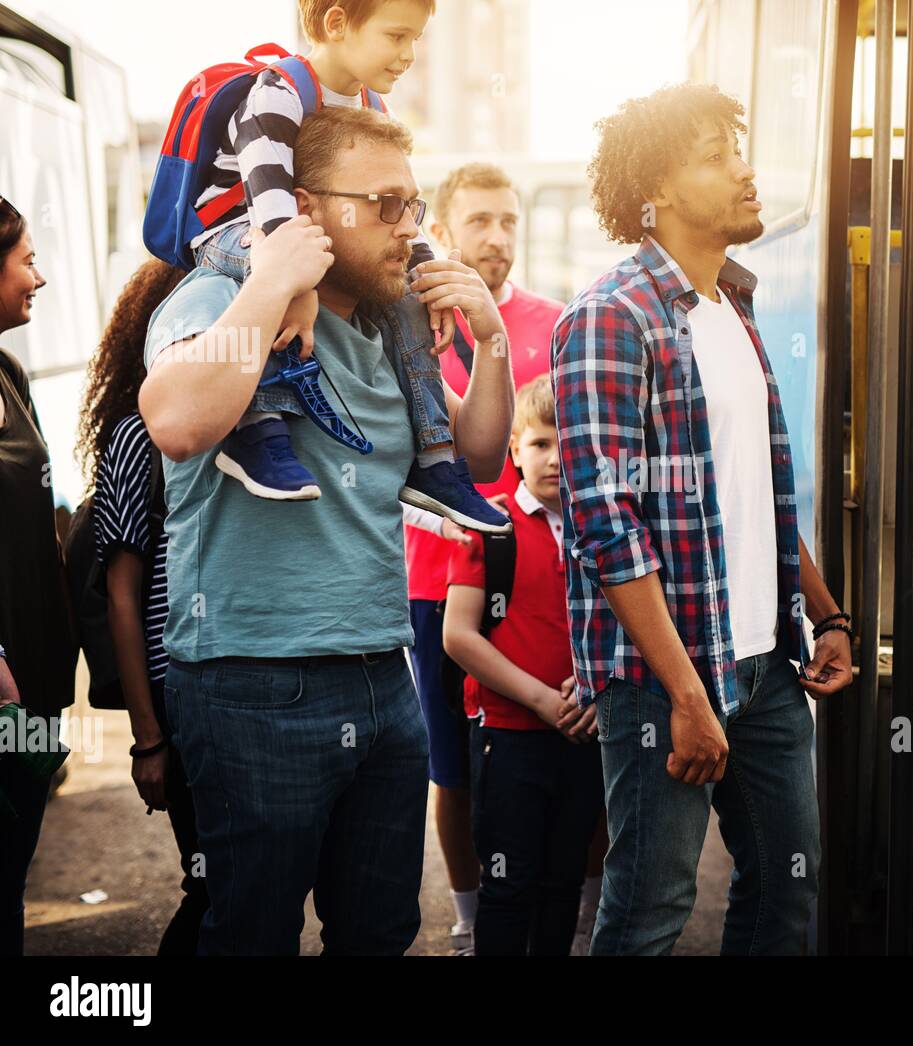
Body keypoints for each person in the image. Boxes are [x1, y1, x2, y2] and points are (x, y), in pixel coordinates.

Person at [138, 105, 515, 955]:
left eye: (413, 207)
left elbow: (480, 458)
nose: (408, 229)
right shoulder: (217, 294)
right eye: (383, 204)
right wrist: (273, 278)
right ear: (304, 207)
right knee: (251, 934)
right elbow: (177, 423)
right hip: (253, 682)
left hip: (384, 675)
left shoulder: (387, 326)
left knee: (380, 930)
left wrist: (490, 340)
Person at [552, 84, 854, 955]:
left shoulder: (733, 306)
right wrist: (686, 695)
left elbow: (756, 490)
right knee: (649, 914)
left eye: (738, 148)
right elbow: (605, 528)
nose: (745, 170)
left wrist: (822, 612)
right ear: (659, 190)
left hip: (764, 662)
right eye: (716, 155)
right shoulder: (612, 319)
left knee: (787, 889)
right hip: (663, 679)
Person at [185, 0, 506, 532]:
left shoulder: (371, 106)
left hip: (291, 238)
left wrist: (426, 281)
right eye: (396, 36)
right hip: (235, 231)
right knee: (265, 280)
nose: (408, 56)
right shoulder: (276, 92)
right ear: (336, 24)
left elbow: (400, 210)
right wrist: (297, 283)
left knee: (402, 292)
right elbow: (269, 204)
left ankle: (435, 457)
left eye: (416, 41)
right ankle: (258, 430)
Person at [402, 163, 565, 954]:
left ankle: (578, 916)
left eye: (508, 221)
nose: (496, 238)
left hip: (546, 583)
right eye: (478, 222)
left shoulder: (558, 325)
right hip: (439, 585)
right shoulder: (410, 323)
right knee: (456, 766)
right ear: (443, 228)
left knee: (567, 753)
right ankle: (471, 926)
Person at [442, 375, 603, 955]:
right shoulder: (490, 523)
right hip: (509, 740)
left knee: (563, 886)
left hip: (584, 736)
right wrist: (539, 698)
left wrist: (594, 686)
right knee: (509, 887)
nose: (556, 458)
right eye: (539, 444)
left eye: (569, 443)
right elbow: (458, 636)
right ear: (513, 450)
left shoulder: (604, 531)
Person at [76, 258, 209, 955]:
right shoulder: (137, 435)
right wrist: (148, 739)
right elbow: (122, 599)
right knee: (211, 887)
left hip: (234, 684)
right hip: (175, 690)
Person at [0, 196, 78, 956]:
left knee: (12, 872)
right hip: (2, 689)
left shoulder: (8, 370)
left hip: (37, 681)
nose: (42, 277)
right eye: (26, 260)